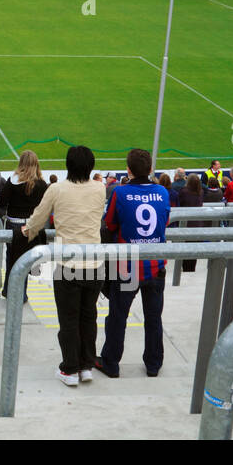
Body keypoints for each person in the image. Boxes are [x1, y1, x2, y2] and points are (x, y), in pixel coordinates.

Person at [22, 145, 106, 386]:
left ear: (68, 165)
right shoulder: (100, 188)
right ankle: (86, 364)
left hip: (68, 263)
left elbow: (38, 218)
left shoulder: (56, 189)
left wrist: (26, 231)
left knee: (69, 318)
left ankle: (70, 368)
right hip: (95, 263)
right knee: (88, 315)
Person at [96, 148, 171, 378]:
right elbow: (164, 221)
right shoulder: (162, 191)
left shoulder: (120, 192)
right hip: (154, 264)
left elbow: (109, 224)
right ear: (150, 169)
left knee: (118, 316)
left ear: (128, 169)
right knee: (153, 317)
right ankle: (153, 364)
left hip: (127, 267)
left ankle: (111, 362)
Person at [0, 150, 49, 300]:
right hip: (32, 227)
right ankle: (20, 294)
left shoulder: (13, 180)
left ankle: (10, 291)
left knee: (11, 259)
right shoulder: (41, 184)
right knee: (25, 262)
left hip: (14, 225)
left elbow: (1, 202)